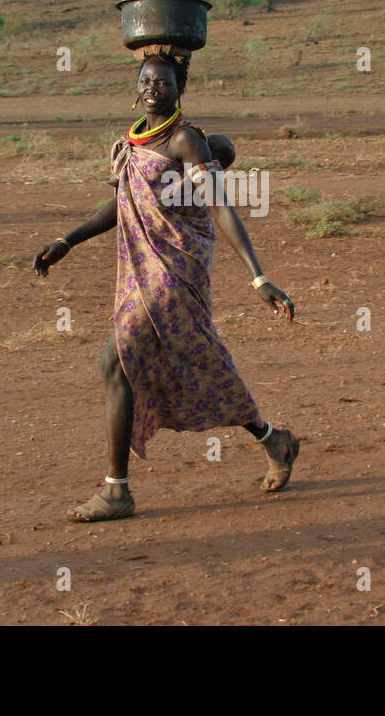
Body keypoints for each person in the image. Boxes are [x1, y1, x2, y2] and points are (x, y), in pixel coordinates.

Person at [33, 53, 299, 521]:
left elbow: (219, 207)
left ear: (180, 89)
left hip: (177, 270)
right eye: (146, 80)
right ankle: (272, 438)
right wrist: (67, 239)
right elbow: (122, 204)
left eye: (164, 81)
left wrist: (258, 276)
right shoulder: (130, 144)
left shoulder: (184, 140)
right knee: (195, 359)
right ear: (137, 88)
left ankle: (117, 492)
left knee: (114, 362)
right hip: (140, 271)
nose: (154, 86)